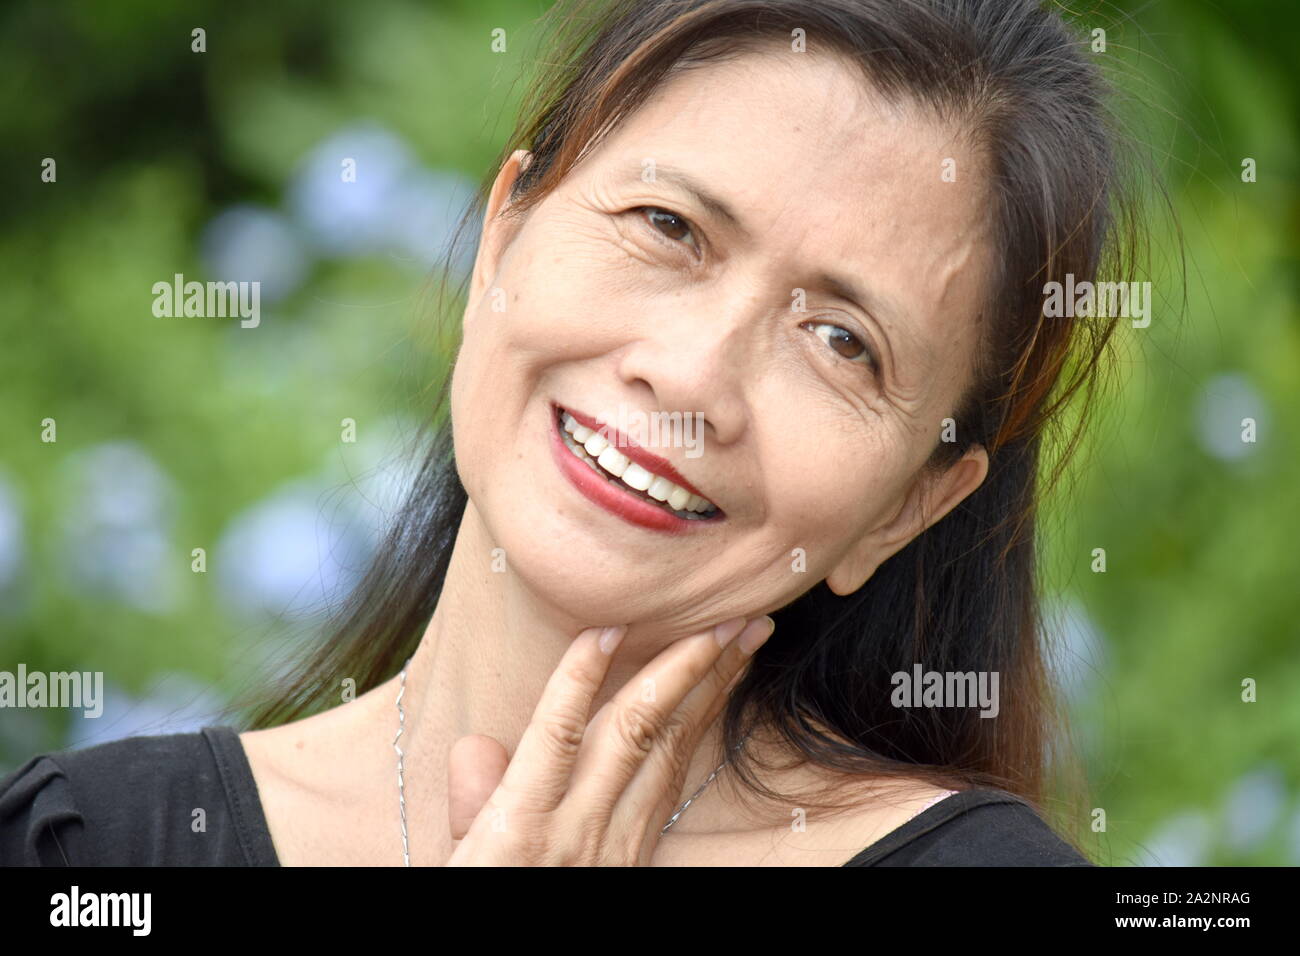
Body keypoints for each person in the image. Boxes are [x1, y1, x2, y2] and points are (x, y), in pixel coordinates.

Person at [2, 0, 1138, 866]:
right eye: (669, 226)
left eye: (841, 339)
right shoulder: (88, 846)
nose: (692, 374)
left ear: (906, 505)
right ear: (504, 236)